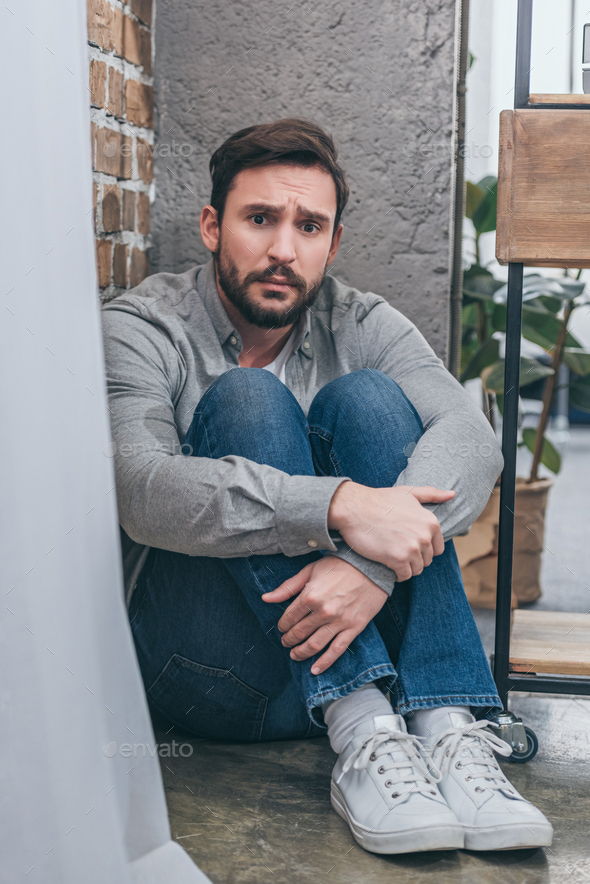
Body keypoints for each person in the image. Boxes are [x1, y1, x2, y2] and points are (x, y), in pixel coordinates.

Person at [101, 118, 553, 855]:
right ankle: (365, 724)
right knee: (247, 399)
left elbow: (470, 439)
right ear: (213, 226)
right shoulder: (145, 325)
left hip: (367, 657)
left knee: (372, 399)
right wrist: (341, 506)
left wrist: (366, 567)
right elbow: (140, 487)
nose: (285, 249)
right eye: (260, 219)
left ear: (333, 243)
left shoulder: (359, 320)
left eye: (309, 226)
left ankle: (443, 726)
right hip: (211, 675)